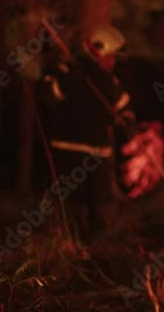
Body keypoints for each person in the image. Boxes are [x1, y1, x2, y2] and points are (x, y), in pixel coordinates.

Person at [39, 24, 135, 240]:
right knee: (68, 204)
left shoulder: (108, 81)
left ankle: (96, 249)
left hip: (98, 155)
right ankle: (64, 247)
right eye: (111, 56)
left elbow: (125, 111)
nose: (113, 62)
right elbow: (46, 97)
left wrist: (125, 123)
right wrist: (70, 78)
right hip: (68, 151)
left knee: (99, 205)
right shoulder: (67, 73)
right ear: (99, 53)